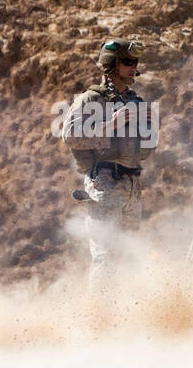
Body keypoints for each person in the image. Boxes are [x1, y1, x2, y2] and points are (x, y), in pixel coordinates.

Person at [59, 39, 158, 287]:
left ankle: (123, 316)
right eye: (127, 62)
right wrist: (110, 124)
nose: (133, 67)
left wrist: (150, 126)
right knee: (106, 256)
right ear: (111, 65)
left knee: (127, 256)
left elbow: (145, 151)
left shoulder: (135, 100)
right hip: (105, 183)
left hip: (131, 184)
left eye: (135, 63)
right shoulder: (91, 99)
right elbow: (70, 136)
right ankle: (100, 319)